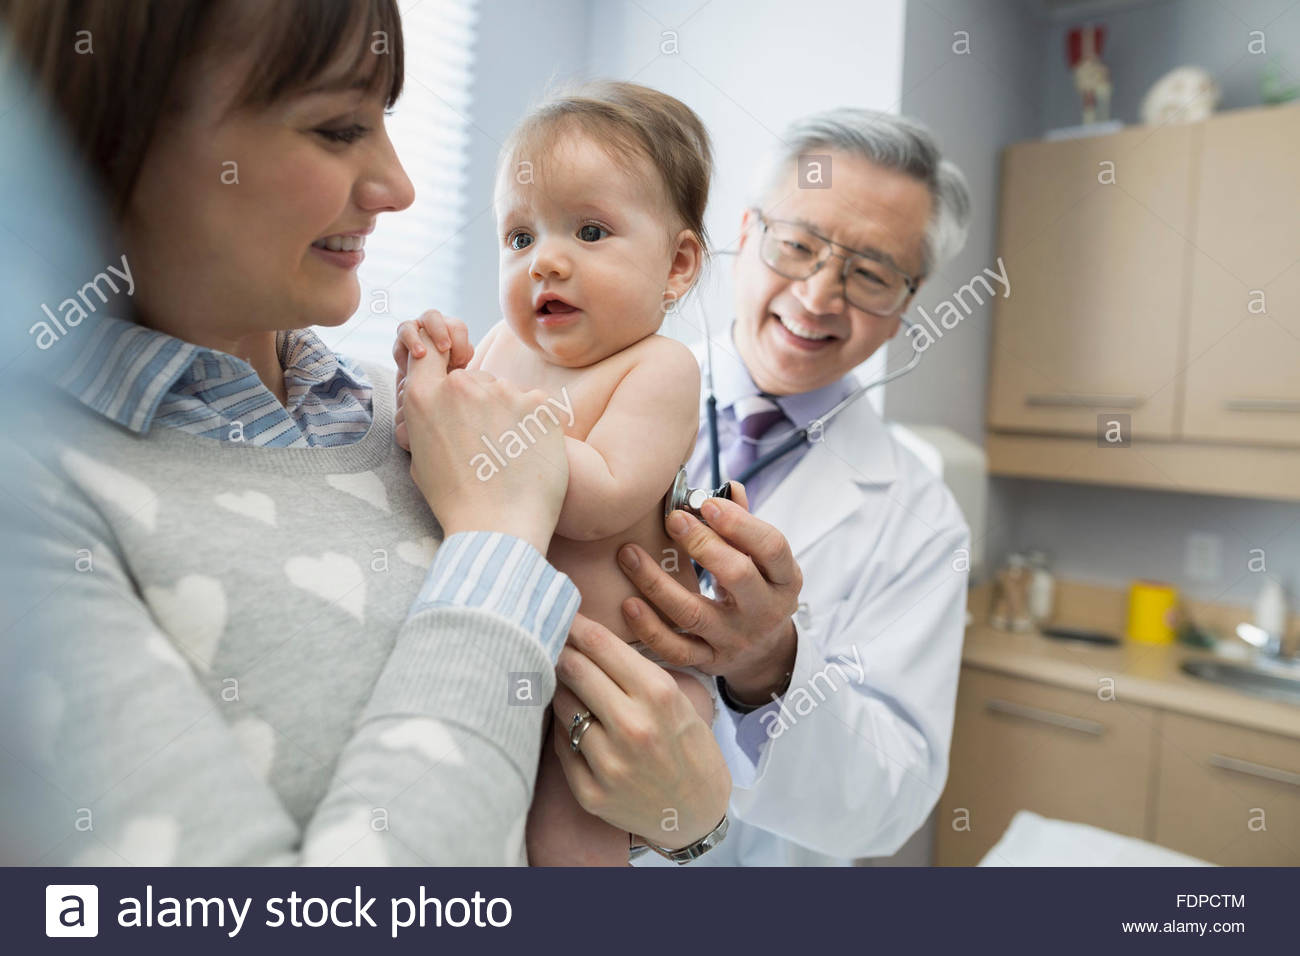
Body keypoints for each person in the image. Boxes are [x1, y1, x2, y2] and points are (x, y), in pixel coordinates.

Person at [0, 0, 727, 866]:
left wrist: (693, 816)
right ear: (108, 139)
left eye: (383, 120)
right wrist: (499, 539)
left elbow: (570, 789)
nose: (399, 186)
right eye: (338, 127)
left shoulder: (411, 414)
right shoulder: (33, 501)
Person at [618, 109, 975, 866]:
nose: (818, 296)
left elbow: (892, 803)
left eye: (871, 273)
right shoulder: (596, 382)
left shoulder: (922, 521)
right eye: (799, 245)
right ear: (746, 235)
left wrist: (769, 666)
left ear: (906, 305)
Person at [393, 81, 720, 865]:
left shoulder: (660, 367)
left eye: (591, 230)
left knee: (567, 844)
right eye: (519, 238)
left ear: (676, 267)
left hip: (606, 689)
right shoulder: (509, 355)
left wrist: (483, 423)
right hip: (500, 656)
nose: (546, 261)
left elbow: (603, 497)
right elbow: (442, 464)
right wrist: (425, 396)